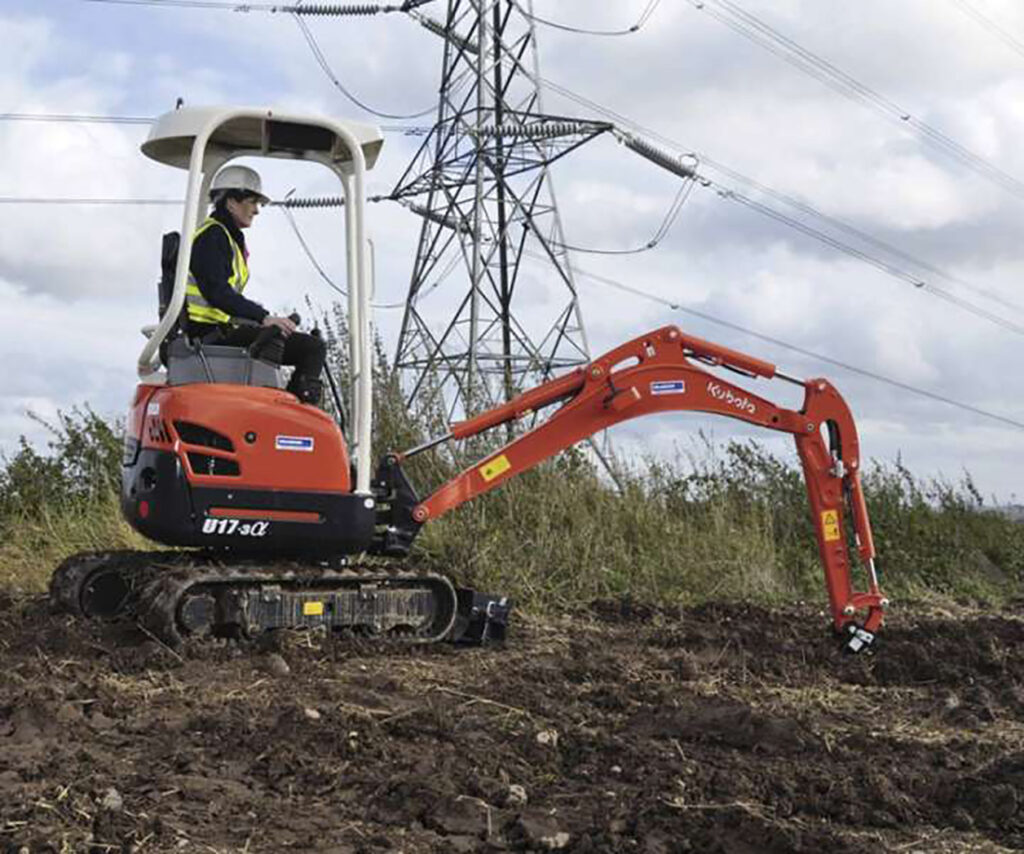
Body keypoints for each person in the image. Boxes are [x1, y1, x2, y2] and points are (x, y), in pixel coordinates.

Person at [185, 164, 325, 404]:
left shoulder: (225, 236)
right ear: (231, 202)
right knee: (312, 348)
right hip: (209, 335)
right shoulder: (213, 237)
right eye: (252, 202)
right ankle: (293, 413)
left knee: (293, 341)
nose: (256, 210)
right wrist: (263, 318)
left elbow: (224, 295)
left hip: (216, 331)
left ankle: (288, 409)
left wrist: (262, 318)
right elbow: (217, 292)